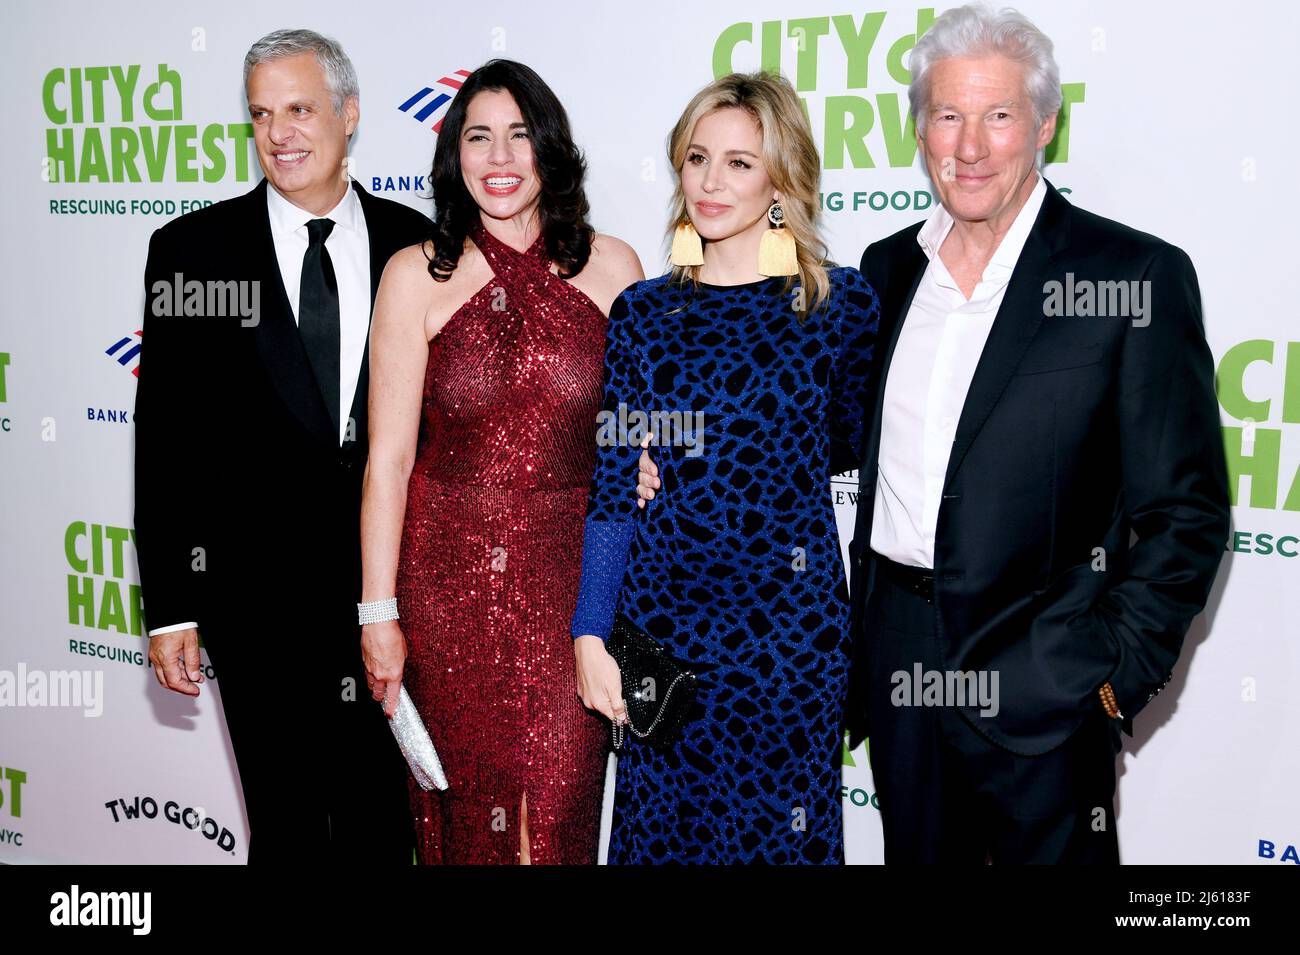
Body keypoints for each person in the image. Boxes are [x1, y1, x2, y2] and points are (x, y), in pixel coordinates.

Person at [642, 4, 1231, 863]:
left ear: (1045, 125)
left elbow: (1187, 512)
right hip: (895, 670)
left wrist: (1108, 674)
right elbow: (808, 432)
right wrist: (665, 459)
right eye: (947, 115)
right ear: (919, 129)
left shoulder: (1132, 275)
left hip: (1046, 675)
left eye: (998, 116)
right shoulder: (885, 271)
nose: (970, 145)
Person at [135, 29, 431, 863]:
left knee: (384, 825)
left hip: (389, 594)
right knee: (287, 827)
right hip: (253, 600)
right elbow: (166, 441)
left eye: (300, 109)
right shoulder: (194, 251)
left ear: (350, 113)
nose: (280, 133)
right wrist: (172, 606)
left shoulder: (419, 247)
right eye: (262, 114)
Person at [571, 71, 879, 864]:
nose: (710, 181)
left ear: (782, 176)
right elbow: (611, 489)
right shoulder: (642, 311)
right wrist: (589, 632)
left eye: (740, 163)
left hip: (790, 643)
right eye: (697, 157)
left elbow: (851, 442)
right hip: (663, 638)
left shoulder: (839, 306)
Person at [359, 59, 643, 864]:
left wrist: (649, 465)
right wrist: (377, 612)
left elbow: (634, 436)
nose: (500, 156)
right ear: (455, 156)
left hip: (572, 590)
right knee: (470, 811)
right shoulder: (417, 273)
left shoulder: (615, 267)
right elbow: (388, 456)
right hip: (446, 584)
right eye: (479, 136)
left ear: (550, 150)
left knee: (553, 815)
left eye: (520, 135)